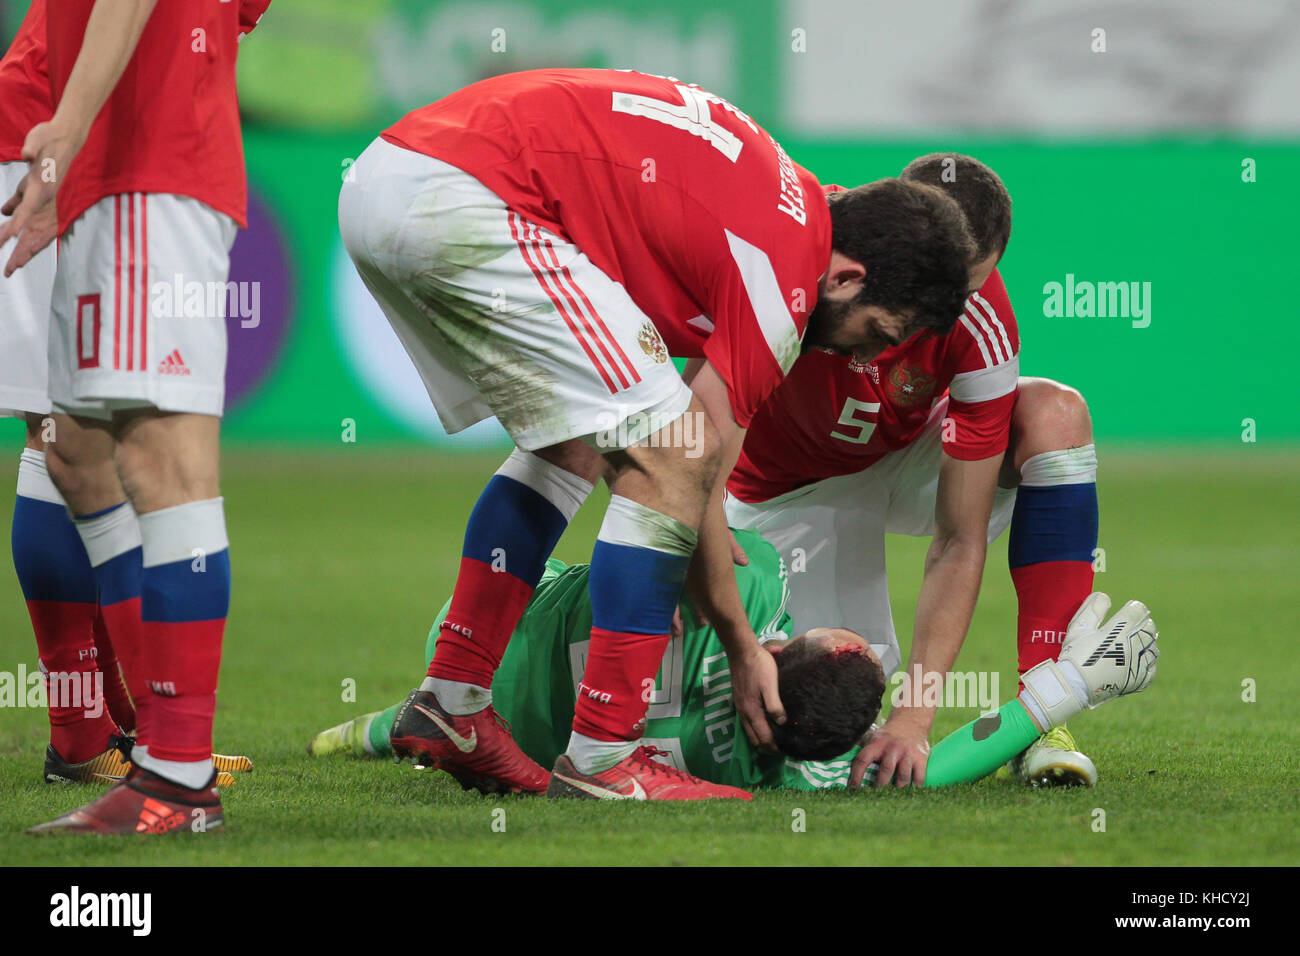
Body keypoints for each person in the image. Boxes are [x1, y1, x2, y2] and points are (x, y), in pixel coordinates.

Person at [338, 68, 975, 799]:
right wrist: (741, 643)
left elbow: (696, 462)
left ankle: (451, 702)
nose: (864, 356)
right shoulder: (783, 283)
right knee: (670, 452)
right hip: (464, 197)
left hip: (399, 174)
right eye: (877, 332)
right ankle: (605, 757)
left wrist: (695, 514)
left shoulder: (788, 211)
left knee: (570, 445)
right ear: (849, 279)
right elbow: (692, 462)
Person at [724, 153, 1104, 788]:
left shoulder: (978, 319)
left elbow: (958, 538)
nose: (949, 309)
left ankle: (1046, 717)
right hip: (784, 493)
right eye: (943, 285)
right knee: (822, 726)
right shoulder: (792, 243)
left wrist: (917, 714)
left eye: (970, 289)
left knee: (1056, 414)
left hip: (905, 457)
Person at [2, 0, 269, 835]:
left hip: (140, 158)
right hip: (103, 159)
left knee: (156, 462)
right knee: (74, 448)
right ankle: (136, 747)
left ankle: (174, 772)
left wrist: (66, 128)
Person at [309, 530, 1159, 793]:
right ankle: (377, 728)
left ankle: (389, 720)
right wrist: (1067, 686)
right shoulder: (788, 778)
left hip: (473, 638)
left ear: (801, 643)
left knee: (609, 552)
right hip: (525, 748)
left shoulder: (750, 592)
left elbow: (669, 516)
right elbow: (928, 769)